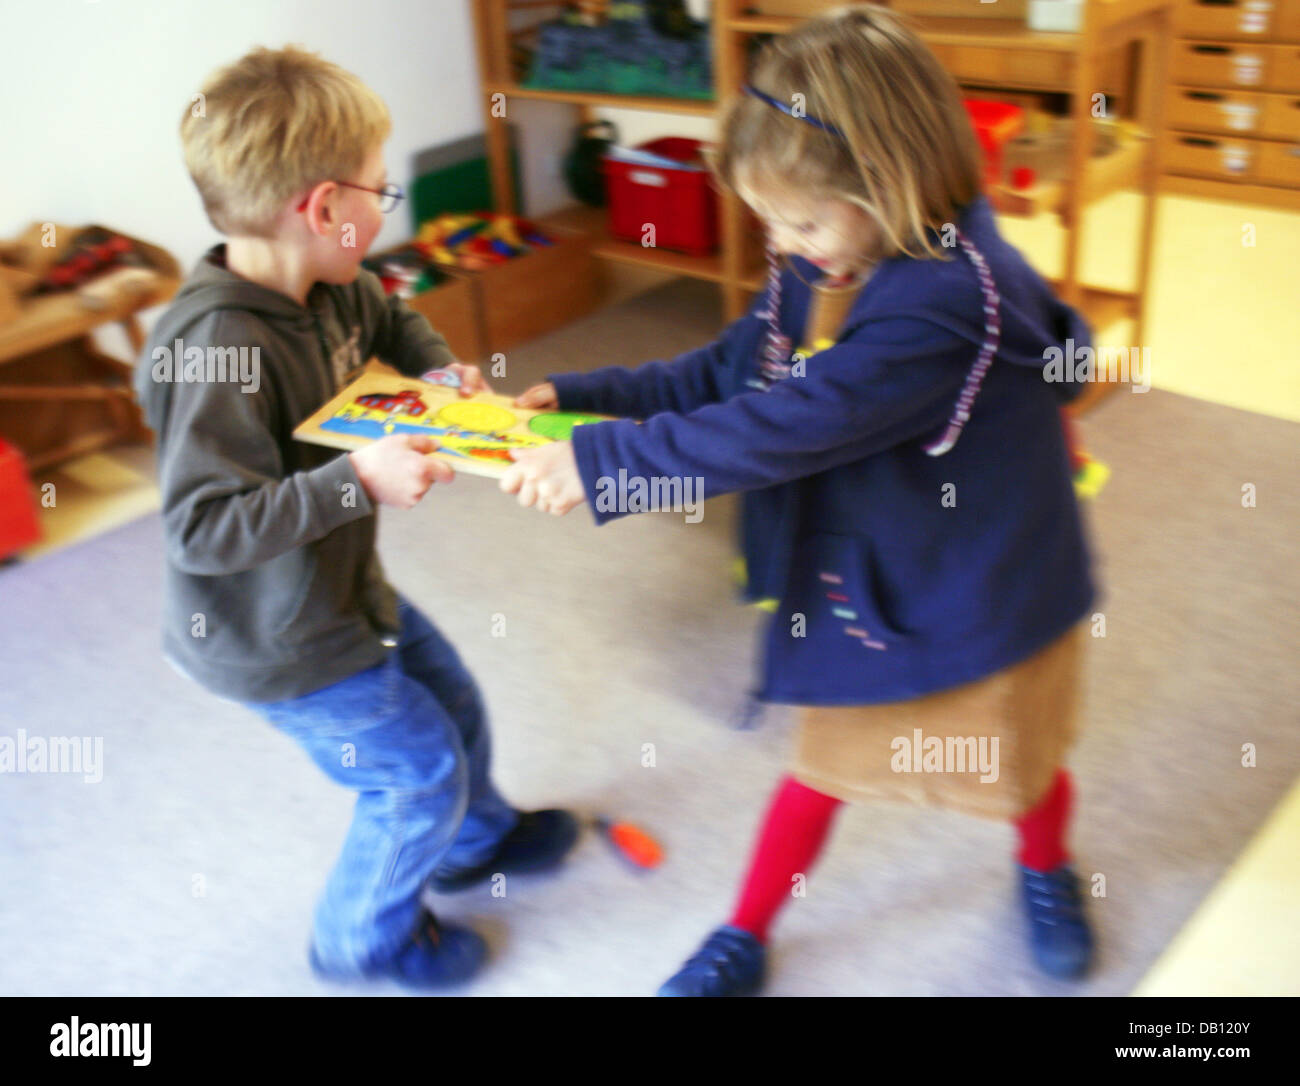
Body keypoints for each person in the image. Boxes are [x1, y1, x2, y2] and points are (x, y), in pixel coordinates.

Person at [504, 4, 1098, 995]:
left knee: (1016, 764)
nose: (782, 243)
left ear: (889, 181)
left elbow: (785, 426)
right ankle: (747, 929)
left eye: (803, 220)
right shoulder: (824, 257)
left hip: (988, 584)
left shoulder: (950, 299)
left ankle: (1044, 870)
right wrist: (581, 398)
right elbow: (728, 375)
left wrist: (605, 465)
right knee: (821, 771)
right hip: (874, 581)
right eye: (769, 221)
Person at [134, 44, 577, 990]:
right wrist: (356, 483)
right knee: (412, 778)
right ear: (323, 208)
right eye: (382, 189)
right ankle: (360, 943)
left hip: (341, 590)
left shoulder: (335, 278)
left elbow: (394, 326)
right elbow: (200, 529)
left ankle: (475, 843)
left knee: (452, 703)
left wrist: (439, 375)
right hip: (276, 640)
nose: (386, 206)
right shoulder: (214, 350)